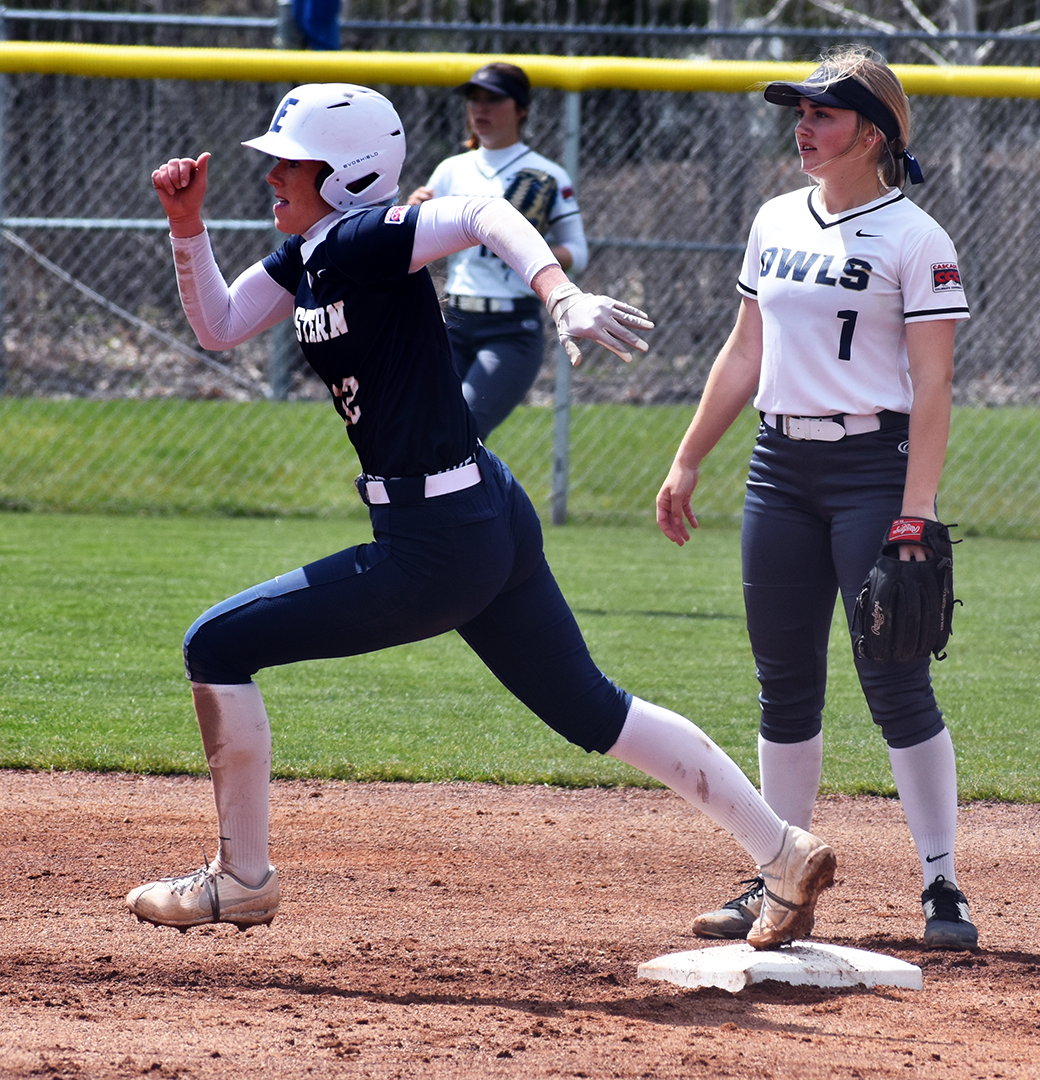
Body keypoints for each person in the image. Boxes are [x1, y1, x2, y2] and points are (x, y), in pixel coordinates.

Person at [127, 82, 836, 950]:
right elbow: (219, 324)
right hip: (479, 510)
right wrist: (187, 226)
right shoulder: (312, 251)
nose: (272, 175)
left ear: (347, 174)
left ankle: (242, 880)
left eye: (291, 163)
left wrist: (559, 293)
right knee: (593, 708)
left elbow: (481, 214)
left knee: (215, 644)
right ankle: (783, 851)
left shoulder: (360, 235)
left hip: (435, 544)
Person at [653, 47, 979, 950]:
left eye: (822, 114)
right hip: (778, 469)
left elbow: (934, 384)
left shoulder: (916, 238)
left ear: (871, 133)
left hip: (872, 467)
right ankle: (778, 876)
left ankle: (943, 884)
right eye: (799, 112)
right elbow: (744, 351)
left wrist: (915, 509)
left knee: (895, 678)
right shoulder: (773, 219)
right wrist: (688, 459)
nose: (803, 127)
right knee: (784, 683)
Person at [406, 63, 587, 438]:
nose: (481, 109)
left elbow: (578, 252)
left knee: (462, 431)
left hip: (511, 328)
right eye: (474, 99)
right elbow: (414, 246)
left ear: (521, 109)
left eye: (494, 99)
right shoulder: (451, 170)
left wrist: (522, 251)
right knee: (419, 431)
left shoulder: (547, 174)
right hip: (451, 321)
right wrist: (412, 215)